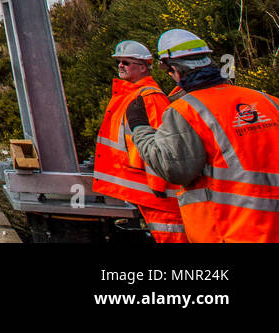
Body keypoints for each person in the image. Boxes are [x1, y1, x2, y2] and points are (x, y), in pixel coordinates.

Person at [127, 29, 279, 243]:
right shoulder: (267, 101)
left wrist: (140, 128)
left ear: (174, 70)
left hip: (233, 231)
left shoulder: (186, 111)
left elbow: (175, 169)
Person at [92, 40, 186, 243]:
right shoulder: (129, 95)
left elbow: (162, 146)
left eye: (126, 62)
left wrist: (158, 188)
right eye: (119, 62)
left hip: (157, 195)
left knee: (171, 236)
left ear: (143, 67)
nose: (120, 66)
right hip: (143, 191)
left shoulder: (149, 97)